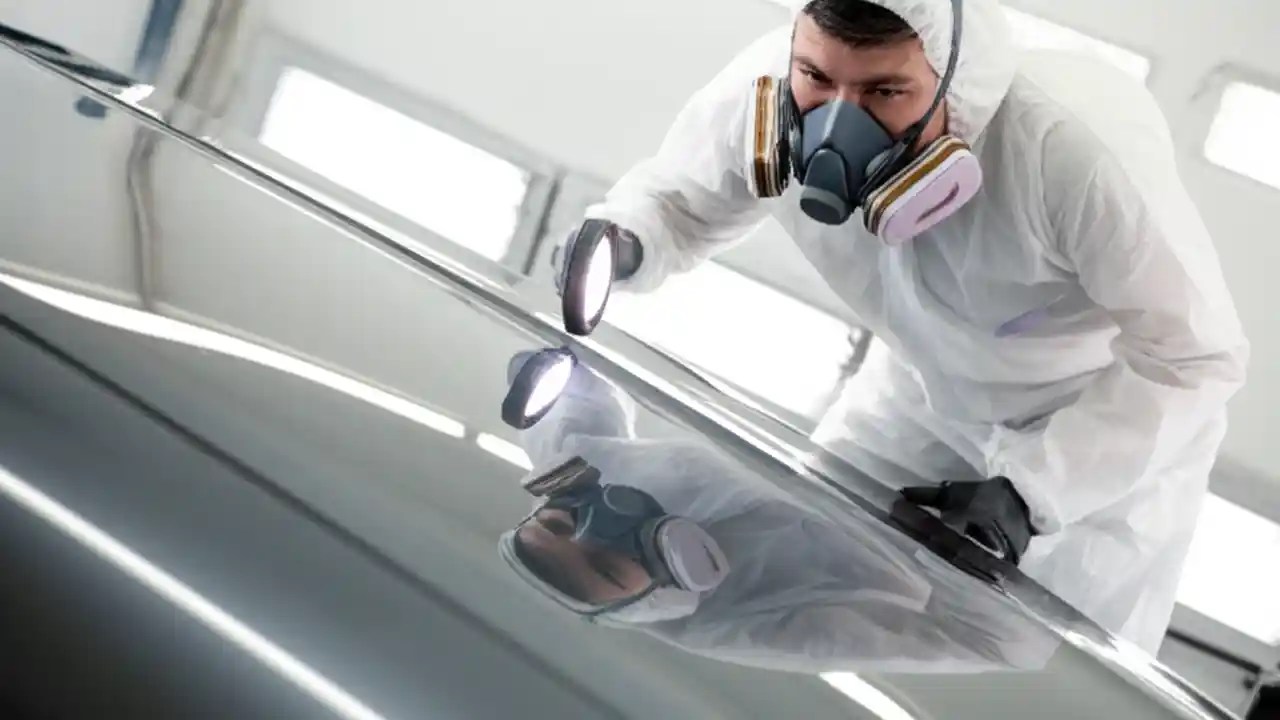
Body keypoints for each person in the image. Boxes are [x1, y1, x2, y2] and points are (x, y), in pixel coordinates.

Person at [555, 0, 1249, 654]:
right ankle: (625, 626)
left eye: (885, 92)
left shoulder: (1067, 148)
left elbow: (1193, 356)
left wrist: (1033, 491)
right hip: (916, 400)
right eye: (817, 77)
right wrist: (626, 239)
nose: (834, 123)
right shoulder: (773, 86)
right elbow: (676, 204)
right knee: (787, 566)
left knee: (1022, 661)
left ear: (956, 83)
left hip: (1097, 441)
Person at [499, 352, 1060, 673]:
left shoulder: (569, 471)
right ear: (655, 600)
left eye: (556, 524)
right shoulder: (739, 627)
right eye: (606, 567)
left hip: (885, 428)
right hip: (992, 514)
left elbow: (566, 369)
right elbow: (1006, 646)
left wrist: (543, 361)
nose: (593, 526)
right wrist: (976, 551)